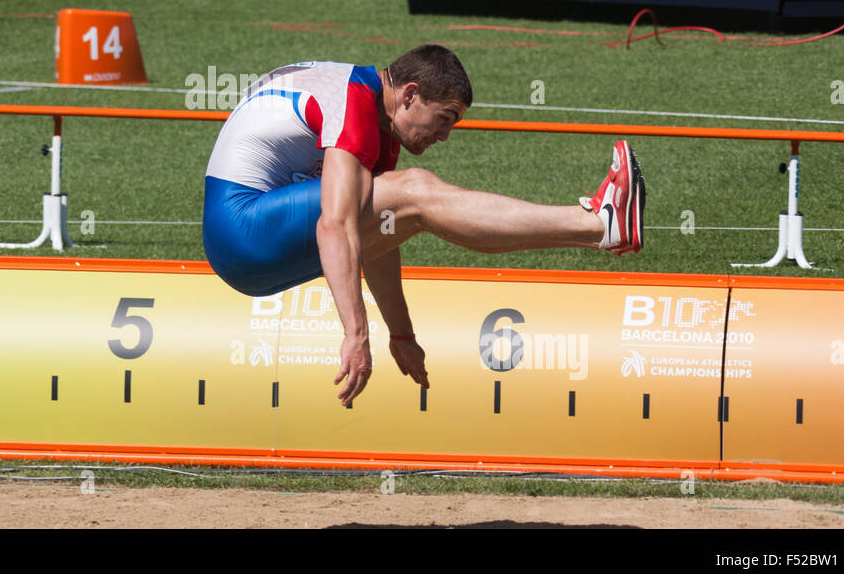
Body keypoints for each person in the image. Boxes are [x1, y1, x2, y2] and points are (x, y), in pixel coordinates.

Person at [202, 45, 644, 407]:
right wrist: (356, 335)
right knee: (415, 191)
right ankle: (596, 224)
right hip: (241, 230)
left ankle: (601, 229)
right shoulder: (351, 100)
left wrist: (401, 333)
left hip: (246, 252)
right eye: (445, 118)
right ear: (410, 93)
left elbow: (378, 235)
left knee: (409, 209)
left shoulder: (381, 117)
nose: (445, 135)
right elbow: (334, 227)